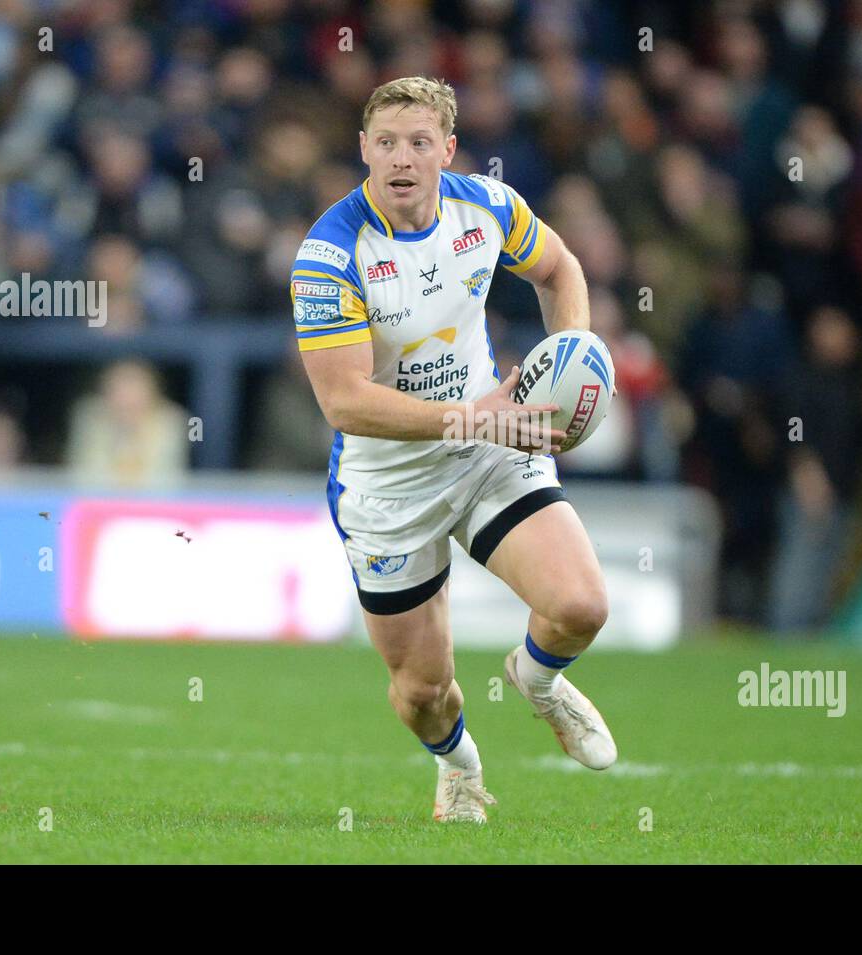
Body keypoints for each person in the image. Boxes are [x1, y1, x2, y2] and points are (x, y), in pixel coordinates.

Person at [290, 76, 616, 824]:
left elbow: (560, 269)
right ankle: (460, 766)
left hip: (488, 444)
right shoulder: (330, 253)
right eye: (385, 143)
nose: (401, 158)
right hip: (388, 482)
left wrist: (569, 356)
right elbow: (345, 401)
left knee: (580, 605)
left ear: (448, 149)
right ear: (363, 149)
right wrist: (476, 417)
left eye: (418, 142)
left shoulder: (487, 206)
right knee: (423, 692)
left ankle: (538, 683)